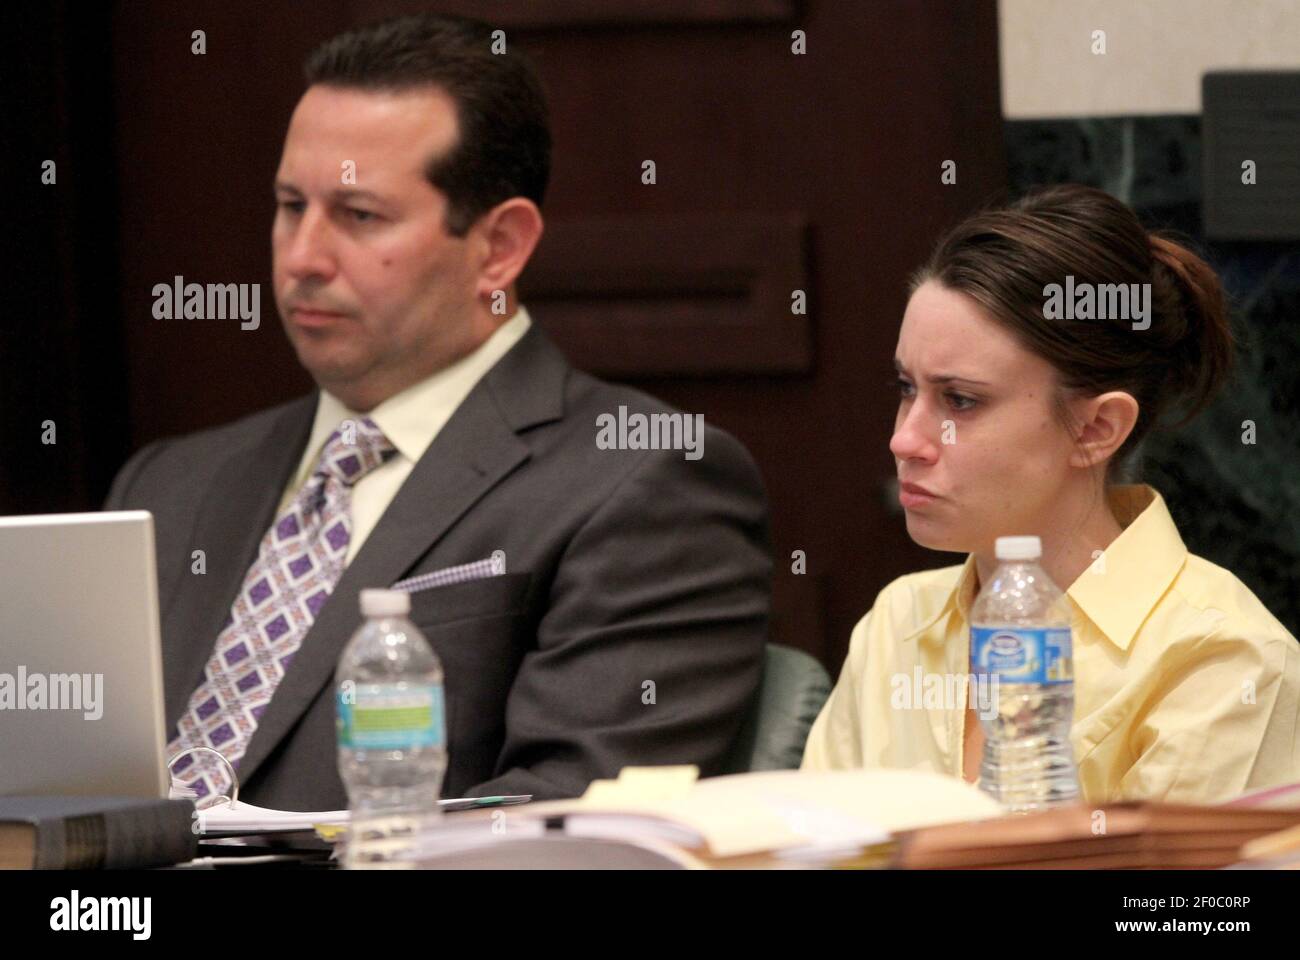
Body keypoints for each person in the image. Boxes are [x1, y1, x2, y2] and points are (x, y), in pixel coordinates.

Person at [105, 13, 771, 810]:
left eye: (359, 215)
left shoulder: (648, 483)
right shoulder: (170, 483)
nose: (303, 258)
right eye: (290, 205)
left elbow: (570, 823)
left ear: (499, 248)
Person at [802, 184, 1300, 804]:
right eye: (907, 387)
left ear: (1096, 429)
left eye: (960, 400)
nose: (905, 439)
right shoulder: (898, 622)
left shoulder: (1224, 660)